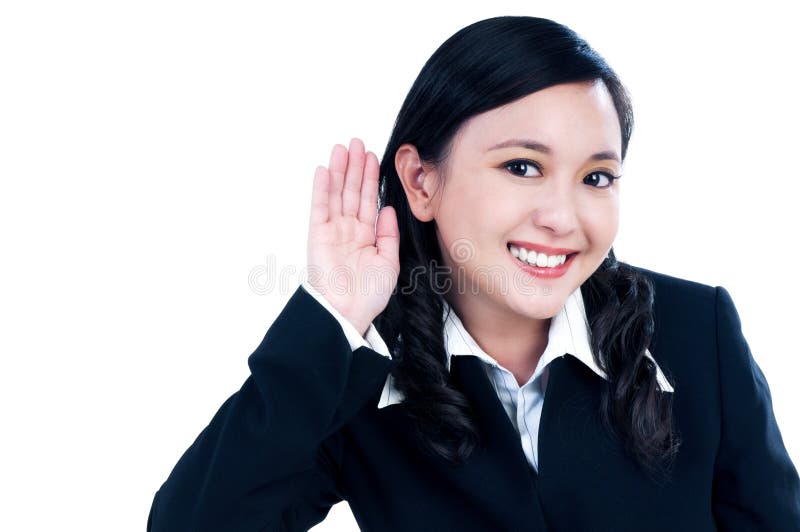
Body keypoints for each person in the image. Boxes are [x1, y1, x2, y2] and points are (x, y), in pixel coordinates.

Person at [146, 15, 800, 531]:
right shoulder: (356, 377)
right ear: (420, 181)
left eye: (596, 177)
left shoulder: (696, 332)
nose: (561, 217)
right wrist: (333, 317)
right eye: (522, 166)